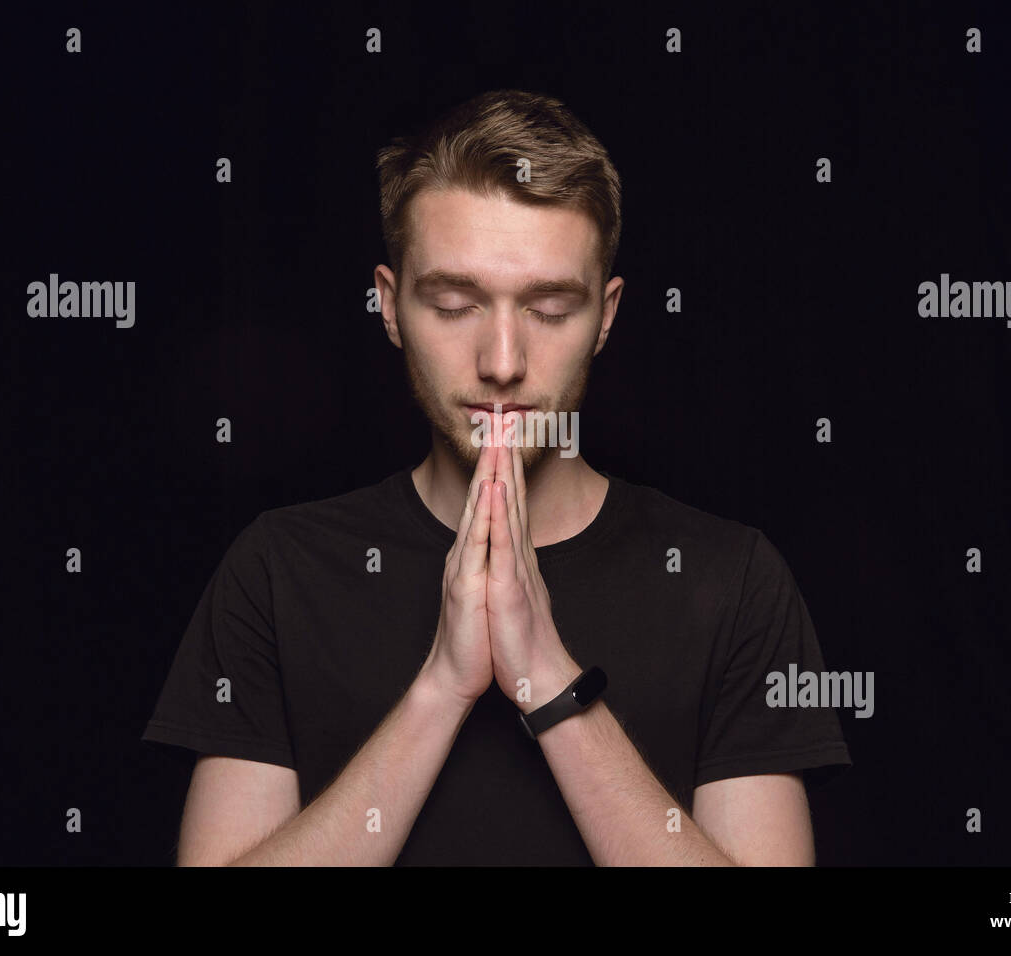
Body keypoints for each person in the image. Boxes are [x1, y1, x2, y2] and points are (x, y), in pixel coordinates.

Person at [140, 88, 851, 866]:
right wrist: (442, 688)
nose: (502, 363)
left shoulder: (734, 580)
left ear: (606, 318)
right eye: (454, 303)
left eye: (549, 308)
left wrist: (545, 675)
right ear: (388, 305)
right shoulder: (277, 569)